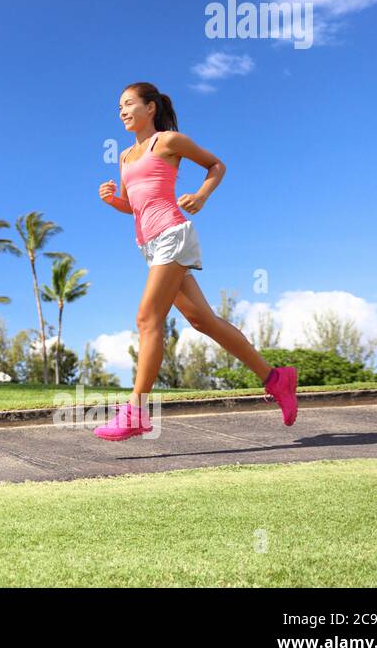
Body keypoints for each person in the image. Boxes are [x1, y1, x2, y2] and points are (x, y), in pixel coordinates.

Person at [93, 81, 298, 440]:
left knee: (147, 318)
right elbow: (134, 205)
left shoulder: (168, 142)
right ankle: (276, 378)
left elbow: (216, 165)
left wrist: (202, 195)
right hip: (150, 246)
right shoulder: (125, 157)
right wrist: (113, 200)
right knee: (203, 320)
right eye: (119, 108)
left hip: (173, 234)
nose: (122, 111)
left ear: (150, 108)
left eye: (128, 104)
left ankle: (136, 412)